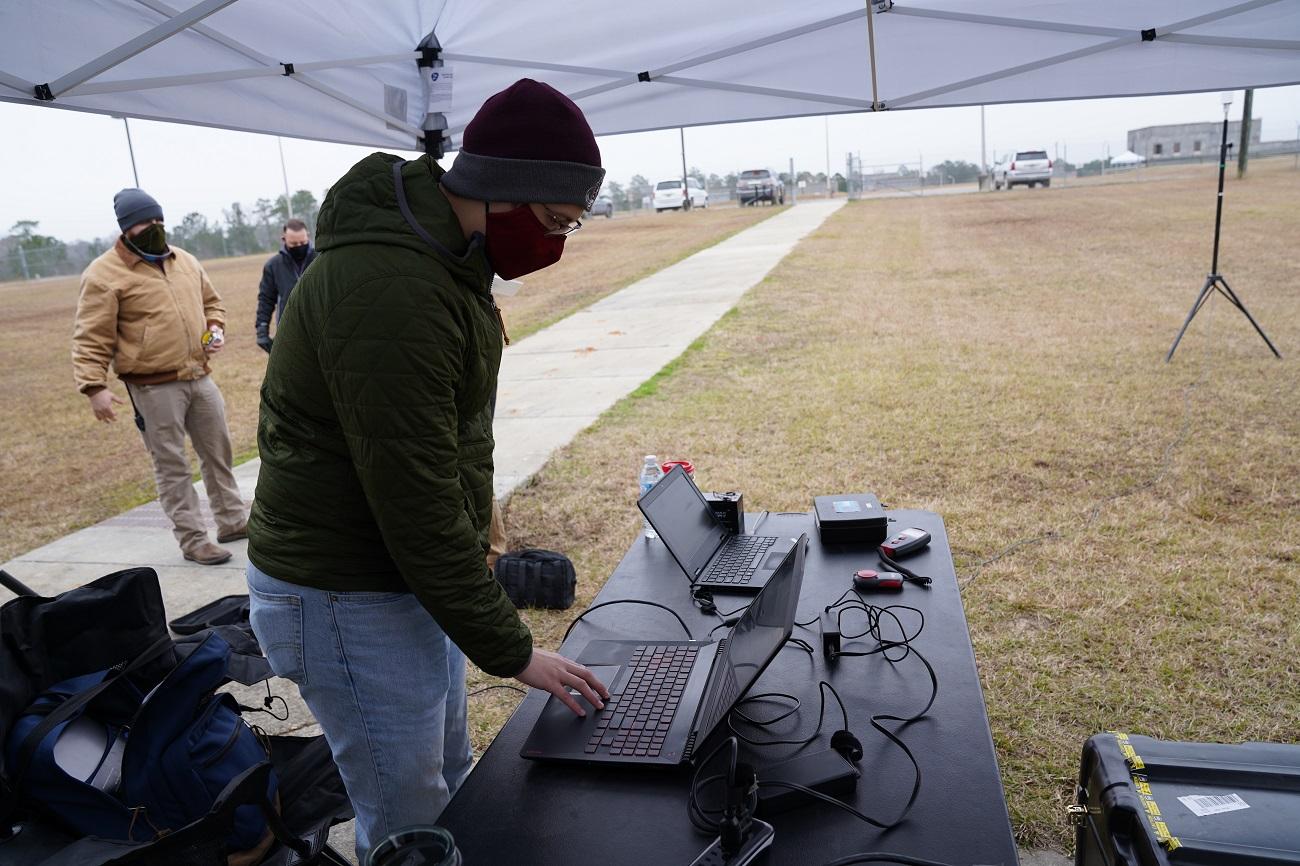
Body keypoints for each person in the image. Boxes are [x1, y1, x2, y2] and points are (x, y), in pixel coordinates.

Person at [244, 79, 610, 861]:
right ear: (503, 190)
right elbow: (415, 502)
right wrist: (513, 651)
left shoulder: (440, 261)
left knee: (448, 782)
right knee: (410, 823)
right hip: (344, 592)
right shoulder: (393, 290)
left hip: (394, 579)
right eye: (554, 221)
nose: (558, 243)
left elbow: (438, 459)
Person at [72, 189, 247, 565]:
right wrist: (94, 387)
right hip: (152, 387)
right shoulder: (104, 275)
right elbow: (91, 334)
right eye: (143, 222)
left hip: (200, 376)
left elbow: (212, 302)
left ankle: (232, 521)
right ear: (126, 228)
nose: (153, 227)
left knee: (219, 453)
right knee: (172, 466)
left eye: (157, 220)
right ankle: (194, 539)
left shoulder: (184, 260)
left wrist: (215, 326)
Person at [254, 217, 316, 353]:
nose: (299, 247)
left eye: (303, 242)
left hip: (320, 330)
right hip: (289, 332)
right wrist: (262, 329)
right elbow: (266, 299)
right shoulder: (273, 265)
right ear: (284, 240)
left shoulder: (321, 259)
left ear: (308, 237)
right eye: (294, 244)